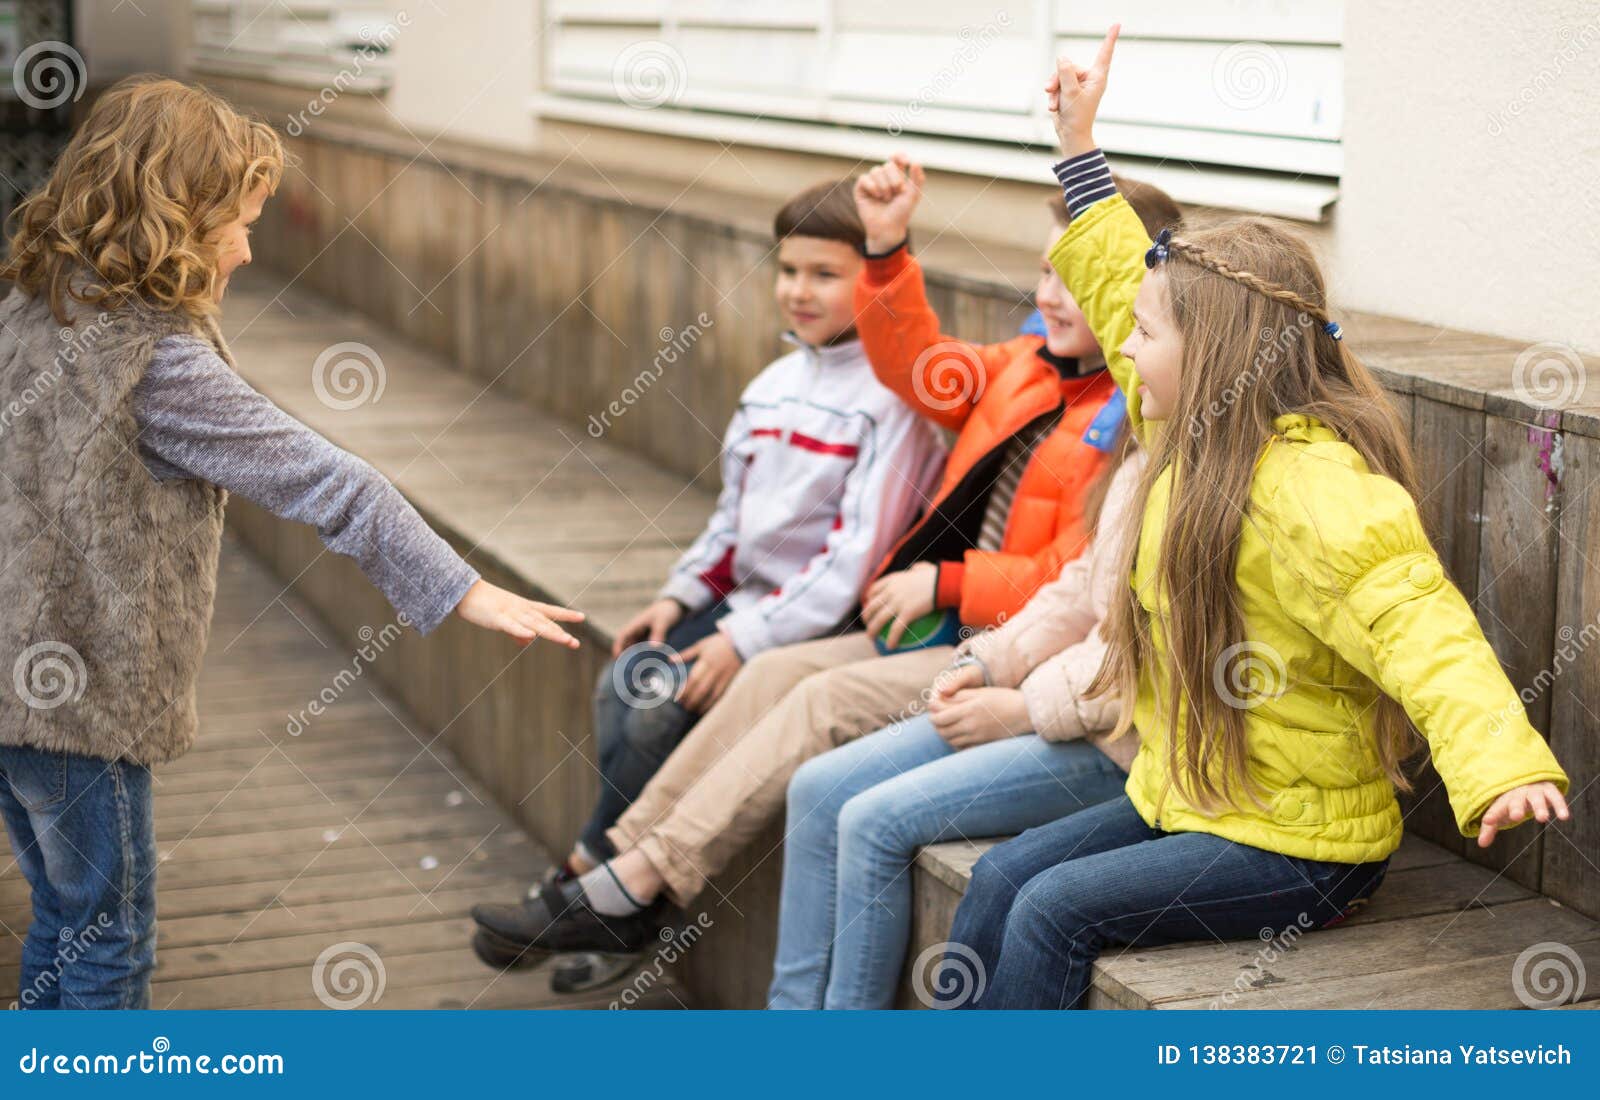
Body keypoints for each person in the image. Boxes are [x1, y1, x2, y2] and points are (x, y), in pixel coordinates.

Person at [940, 27, 1571, 1010]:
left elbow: (1424, 630)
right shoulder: (1190, 424)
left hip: (1301, 846)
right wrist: (1077, 146)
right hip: (1191, 798)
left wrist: (1496, 762)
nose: (1127, 348)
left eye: (1148, 336)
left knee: (1051, 910)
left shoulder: (1314, 492)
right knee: (995, 876)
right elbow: (1118, 286)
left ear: (1216, 353)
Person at [470, 154, 1183, 978]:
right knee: (773, 672)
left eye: (1075, 275)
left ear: (1135, 294)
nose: (1052, 294)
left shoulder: (1138, 416)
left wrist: (949, 581)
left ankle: (632, 887)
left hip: (1020, 656)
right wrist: (885, 252)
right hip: (949, 628)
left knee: (823, 696)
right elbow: (911, 357)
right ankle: (620, 874)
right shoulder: (1026, 368)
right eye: (1043, 273)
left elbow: (1081, 579)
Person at [0, 76, 582, 1010]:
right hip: (78, 703)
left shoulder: (44, 298)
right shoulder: (154, 358)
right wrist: (461, 588)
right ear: (176, 219)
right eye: (236, 221)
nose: (248, 245)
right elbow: (325, 477)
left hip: (17, 686)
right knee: (112, 937)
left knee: (68, 921)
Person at [488, 179, 946, 988]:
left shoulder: (890, 400)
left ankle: (585, 890)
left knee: (664, 707)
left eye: (825, 274)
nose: (799, 291)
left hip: (822, 625)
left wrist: (743, 639)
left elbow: (853, 563)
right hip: (749, 608)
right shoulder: (770, 387)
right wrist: (680, 597)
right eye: (789, 270)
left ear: (871, 280)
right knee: (625, 679)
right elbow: (731, 525)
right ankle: (611, 905)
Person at [769, 427, 1147, 1008]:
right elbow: (1076, 592)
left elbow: (1152, 658)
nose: (1123, 349)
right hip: (1050, 699)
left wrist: (1025, 708)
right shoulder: (1147, 445)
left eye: (1141, 332)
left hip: (1117, 745)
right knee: (817, 787)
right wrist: (988, 662)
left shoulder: (1202, 471)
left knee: (873, 823)